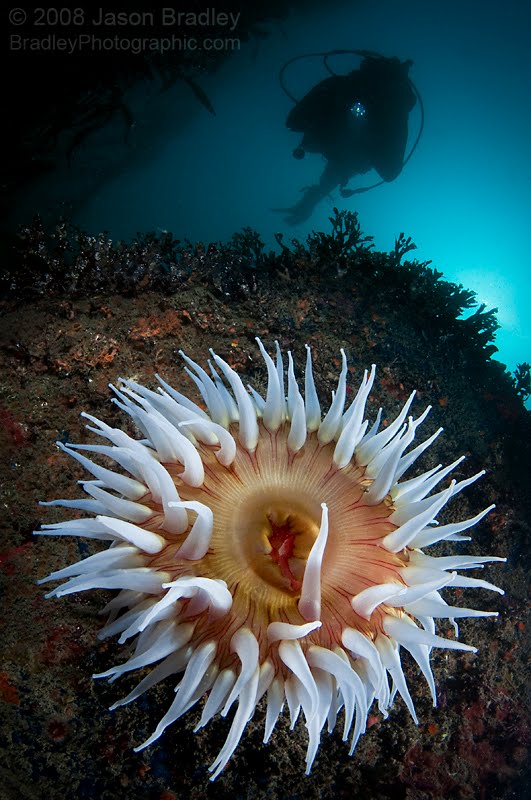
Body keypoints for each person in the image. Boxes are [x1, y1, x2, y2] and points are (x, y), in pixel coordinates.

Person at [278, 54, 416, 225]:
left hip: (347, 152)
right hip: (350, 153)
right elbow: (390, 172)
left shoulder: (391, 110)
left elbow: (294, 121)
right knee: (340, 169)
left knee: (338, 169)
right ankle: (308, 203)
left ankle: (308, 203)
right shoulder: (392, 110)